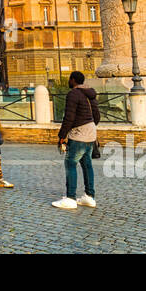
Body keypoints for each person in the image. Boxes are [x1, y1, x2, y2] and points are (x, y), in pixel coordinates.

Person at [52, 71, 98, 208]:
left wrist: (61, 136)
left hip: (79, 133)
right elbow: (97, 115)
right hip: (91, 132)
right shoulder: (90, 94)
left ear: (73, 80)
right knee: (87, 165)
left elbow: (69, 117)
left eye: (69, 79)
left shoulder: (73, 94)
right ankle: (89, 197)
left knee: (71, 164)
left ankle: (71, 198)